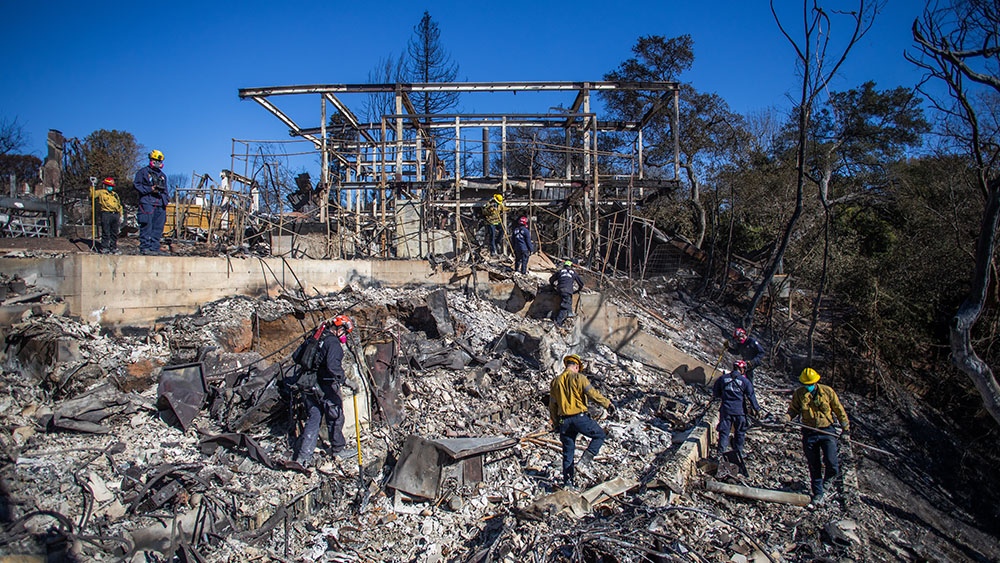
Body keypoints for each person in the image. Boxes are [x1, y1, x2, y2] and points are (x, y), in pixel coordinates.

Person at [293, 315, 360, 466]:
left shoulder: (316, 336)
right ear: (339, 329)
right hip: (324, 386)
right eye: (345, 333)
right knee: (335, 416)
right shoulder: (333, 343)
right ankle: (338, 449)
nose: (345, 337)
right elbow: (333, 367)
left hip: (306, 383)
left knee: (314, 417)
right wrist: (347, 382)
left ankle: (303, 457)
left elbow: (296, 356)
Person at [785, 367, 850, 506]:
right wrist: (786, 417)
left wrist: (846, 430)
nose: (808, 387)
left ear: (816, 382)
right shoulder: (800, 394)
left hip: (827, 430)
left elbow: (839, 410)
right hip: (809, 432)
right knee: (814, 466)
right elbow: (793, 410)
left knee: (832, 464)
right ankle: (818, 493)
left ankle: (827, 482)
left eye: (810, 384)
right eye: (806, 384)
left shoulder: (827, 392)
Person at [549, 354, 615, 487]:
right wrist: (607, 404)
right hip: (579, 418)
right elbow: (593, 395)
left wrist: (556, 424)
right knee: (600, 435)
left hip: (564, 422)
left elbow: (552, 406)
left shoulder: (555, 382)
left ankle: (568, 483)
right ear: (577, 366)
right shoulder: (580, 378)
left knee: (568, 453)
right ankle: (585, 461)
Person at [712, 360, 761, 471]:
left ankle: (721, 453)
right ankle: (738, 453)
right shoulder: (745, 381)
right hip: (740, 412)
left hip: (726, 410)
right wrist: (756, 409)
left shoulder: (723, 379)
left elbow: (716, 392)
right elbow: (751, 396)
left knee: (724, 432)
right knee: (740, 433)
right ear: (742, 369)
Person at [134, 149, 170, 255]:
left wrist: (165, 201)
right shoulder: (143, 172)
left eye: (160, 161)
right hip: (147, 202)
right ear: (151, 160)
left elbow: (165, 190)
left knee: (158, 227)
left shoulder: (162, 176)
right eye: (155, 161)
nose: (158, 163)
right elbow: (137, 185)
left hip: (160, 203)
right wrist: (150, 189)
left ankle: (155, 248)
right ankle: (145, 247)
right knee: (146, 225)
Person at [91, 177, 123, 254]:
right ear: (104, 185)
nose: (110, 187)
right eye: (108, 185)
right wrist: (92, 185)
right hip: (106, 213)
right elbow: (91, 195)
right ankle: (104, 247)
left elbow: (119, 205)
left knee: (114, 232)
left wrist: (121, 215)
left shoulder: (115, 194)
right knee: (106, 231)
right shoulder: (101, 192)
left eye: (111, 186)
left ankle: (113, 247)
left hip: (115, 214)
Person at [549, 260, 584, 327]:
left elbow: (551, 280)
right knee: (565, 306)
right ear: (570, 266)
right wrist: (578, 290)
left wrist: (553, 286)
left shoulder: (560, 271)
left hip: (560, 290)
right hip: (568, 291)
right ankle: (558, 323)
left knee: (567, 303)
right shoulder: (573, 273)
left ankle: (568, 315)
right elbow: (581, 284)